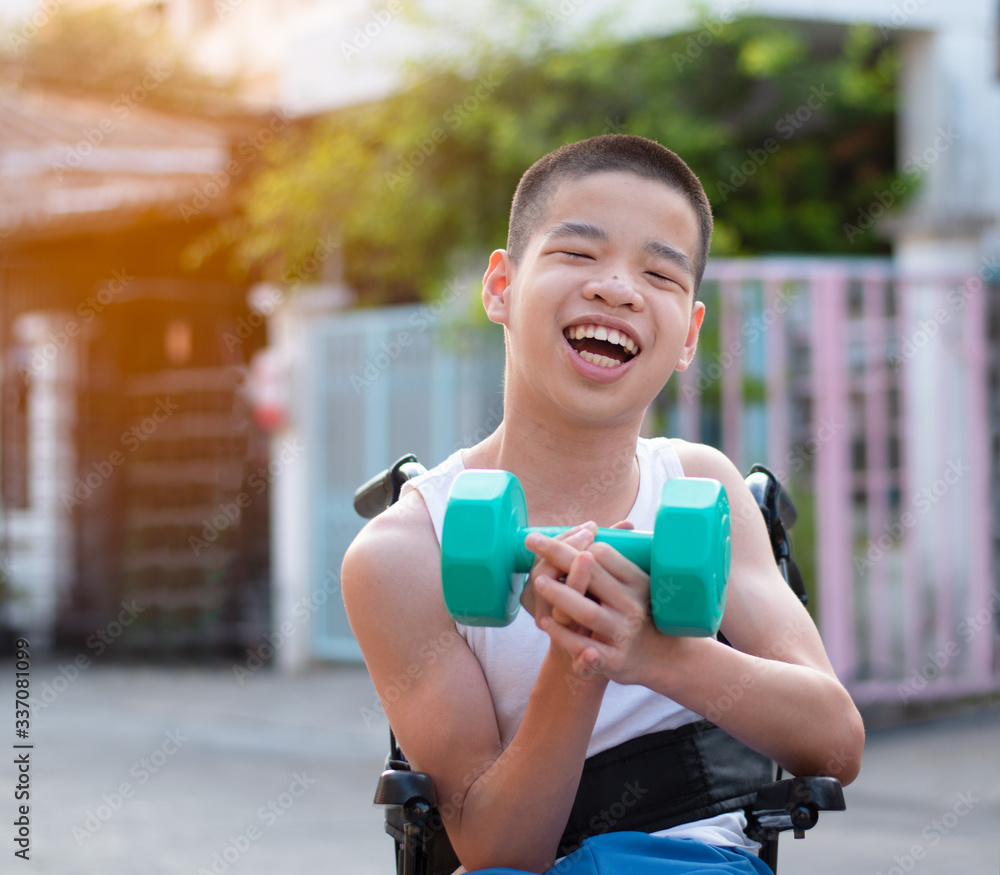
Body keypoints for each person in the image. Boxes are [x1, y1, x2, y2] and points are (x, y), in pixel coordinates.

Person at [342, 134, 864, 875]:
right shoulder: (402, 552)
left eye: (658, 272)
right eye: (578, 255)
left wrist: (659, 654)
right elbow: (496, 848)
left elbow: (836, 742)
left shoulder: (702, 488)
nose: (616, 288)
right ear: (500, 287)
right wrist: (579, 657)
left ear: (687, 335)